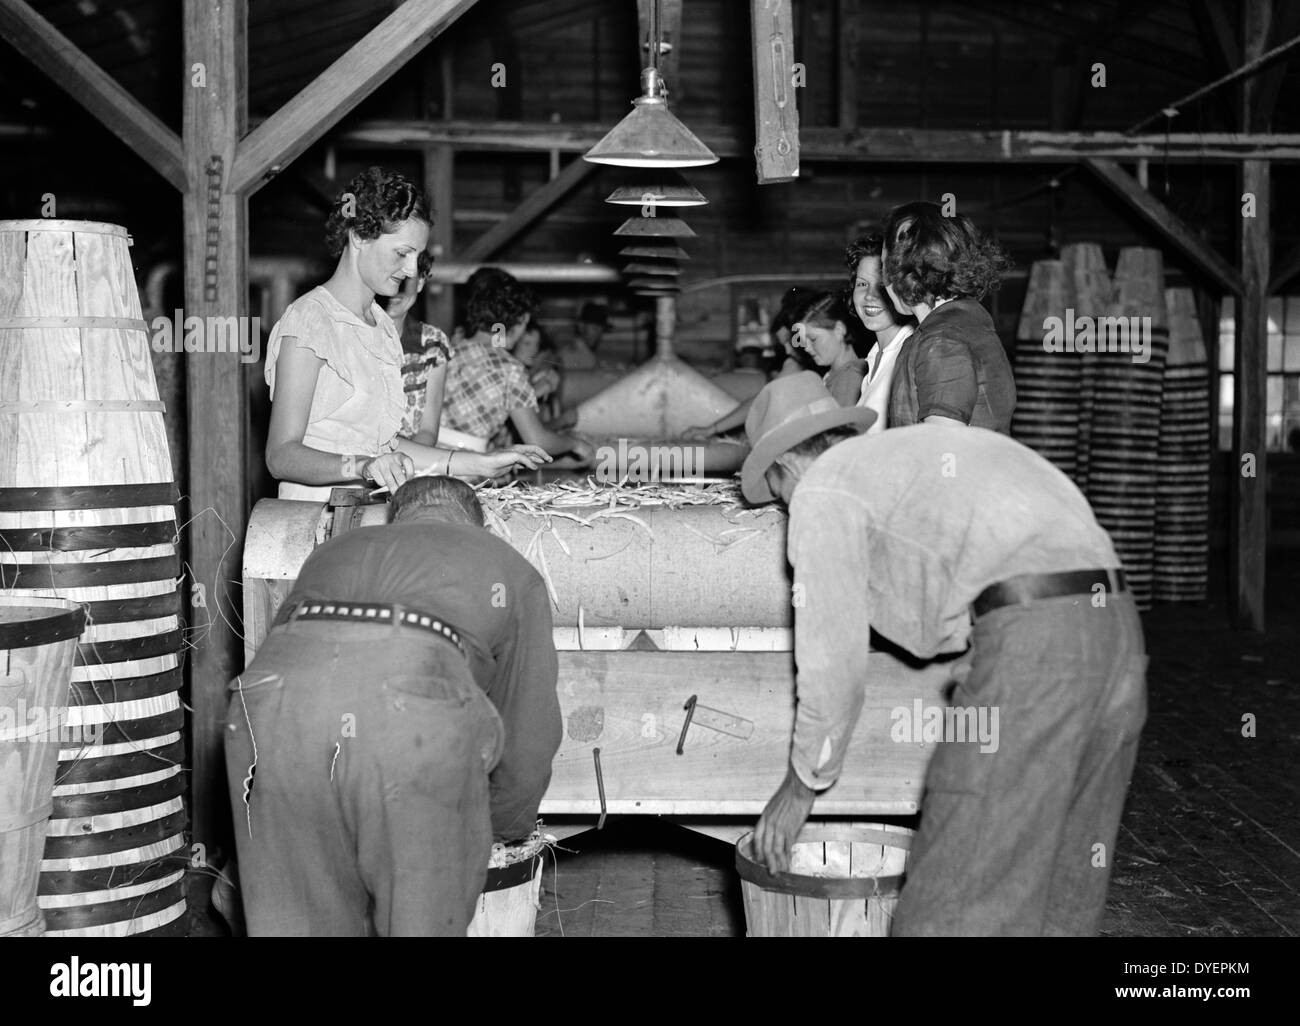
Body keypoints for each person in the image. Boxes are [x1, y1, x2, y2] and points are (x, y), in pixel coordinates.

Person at [743, 372, 1146, 936]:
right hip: (1120, 636)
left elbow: (833, 668)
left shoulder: (823, 489)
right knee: (1062, 890)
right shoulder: (914, 454)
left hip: (1035, 649)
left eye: (779, 496)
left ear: (785, 468)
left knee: (950, 903)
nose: (787, 508)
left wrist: (800, 787)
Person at [224, 475, 562, 936]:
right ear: (480, 524)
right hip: (408, 714)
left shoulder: (334, 551)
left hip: (267, 711)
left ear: (395, 516)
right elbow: (528, 736)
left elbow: (298, 662)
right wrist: (497, 831)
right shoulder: (513, 571)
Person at [263, 167, 549, 501]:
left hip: (367, 515)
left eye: (418, 256)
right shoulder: (309, 320)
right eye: (402, 253)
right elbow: (280, 455)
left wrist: (479, 463)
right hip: (311, 520)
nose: (412, 270)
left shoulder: (381, 327)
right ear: (359, 237)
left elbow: (386, 444)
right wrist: (362, 467)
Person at [879, 201, 1017, 431]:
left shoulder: (941, 340)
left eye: (885, 266)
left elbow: (943, 448)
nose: (883, 281)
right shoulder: (966, 322)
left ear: (902, 268)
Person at [440, 273, 594, 461]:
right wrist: (574, 443)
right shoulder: (509, 369)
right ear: (519, 320)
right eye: (525, 324)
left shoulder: (447, 350)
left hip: (429, 456)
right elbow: (538, 441)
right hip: (467, 464)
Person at [685, 287, 817, 441]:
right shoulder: (793, 363)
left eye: (790, 343)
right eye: (783, 345)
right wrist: (711, 429)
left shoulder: (832, 371)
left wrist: (712, 429)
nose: (787, 351)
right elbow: (763, 398)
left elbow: (763, 399)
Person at [845, 229, 914, 434]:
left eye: (882, 285)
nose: (869, 295)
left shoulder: (911, 352)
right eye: (862, 284)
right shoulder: (874, 357)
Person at [386, 248, 450, 446]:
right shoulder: (350, 333)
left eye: (406, 279)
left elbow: (428, 431)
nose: (397, 290)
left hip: (411, 465)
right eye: (390, 278)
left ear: (420, 282)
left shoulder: (432, 343)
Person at [788, 291, 867, 408]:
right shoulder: (835, 374)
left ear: (839, 330)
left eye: (813, 339)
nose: (806, 347)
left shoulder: (850, 378)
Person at [557, 301, 609, 369]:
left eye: (601, 330)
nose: (598, 334)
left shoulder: (588, 354)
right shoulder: (569, 355)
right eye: (595, 328)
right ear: (581, 326)